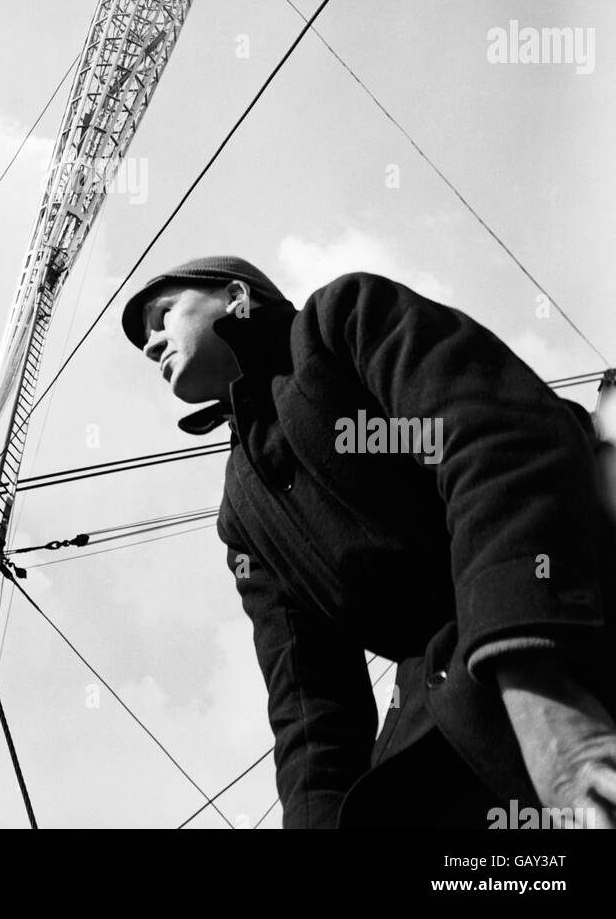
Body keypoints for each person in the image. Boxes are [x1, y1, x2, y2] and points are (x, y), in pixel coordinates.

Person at [121, 255, 616, 829]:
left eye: (162, 316)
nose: (152, 345)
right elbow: (311, 706)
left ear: (237, 295)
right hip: (449, 709)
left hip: (576, 590)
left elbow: (496, 441)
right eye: (144, 342)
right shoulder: (242, 515)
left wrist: (537, 689)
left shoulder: (341, 321)